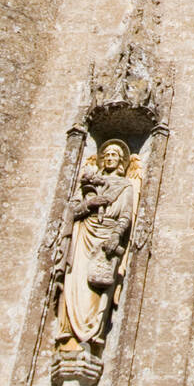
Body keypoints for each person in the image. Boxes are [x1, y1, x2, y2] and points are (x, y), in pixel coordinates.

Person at [54, 139, 139, 350]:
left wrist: (115, 236)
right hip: (84, 234)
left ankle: (92, 333)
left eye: (114, 155)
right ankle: (69, 335)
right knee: (76, 279)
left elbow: (126, 216)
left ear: (121, 161)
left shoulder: (125, 185)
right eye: (107, 155)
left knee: (96, 288)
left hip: (106, 238)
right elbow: (72, 211)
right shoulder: (89, 184)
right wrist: (90, 203)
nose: (110, 158)